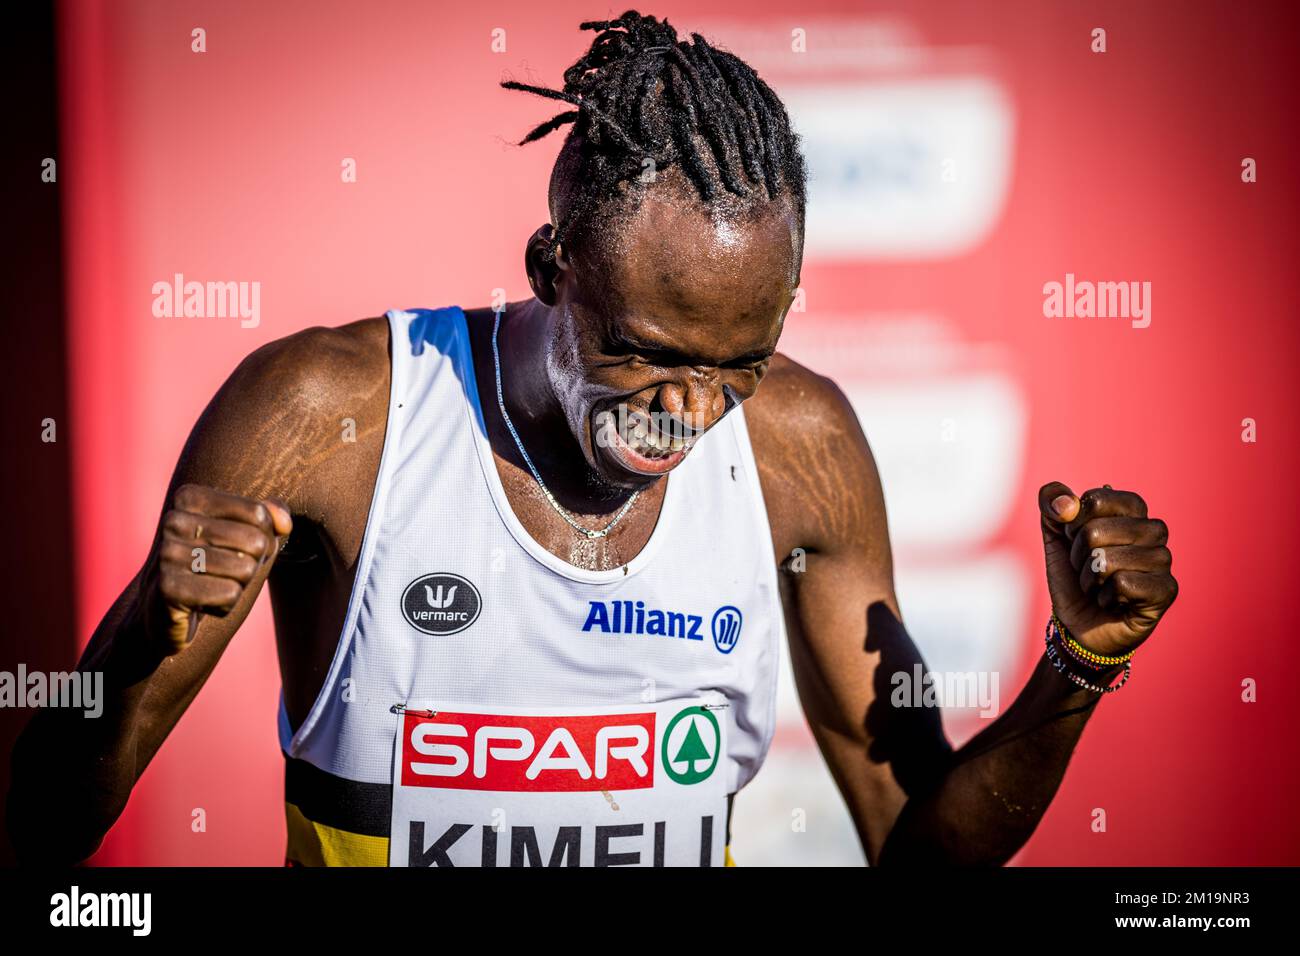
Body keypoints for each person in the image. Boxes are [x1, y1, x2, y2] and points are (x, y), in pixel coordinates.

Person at [8, 10, 1177, 867]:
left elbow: (916, 847)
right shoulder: (330, 415)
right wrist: (131, 643)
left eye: (740, 363)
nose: (689, 411)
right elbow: (46, 824)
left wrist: (1079, 664)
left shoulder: (797, 446)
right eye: (649, 354)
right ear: (550, 269)